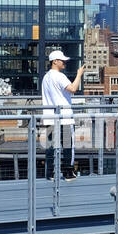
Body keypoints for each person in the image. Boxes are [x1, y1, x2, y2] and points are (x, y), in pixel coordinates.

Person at [40, 49, 85, 180]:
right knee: (67, 146)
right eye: (62, 60)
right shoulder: (59, 76)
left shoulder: (46, 77)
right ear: (55, 61)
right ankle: (68, 173)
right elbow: (73, 89)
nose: (65, 62)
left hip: (49, 117)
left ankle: (50, 173)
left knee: (50, 147)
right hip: (64, 117)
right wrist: (79, 74)